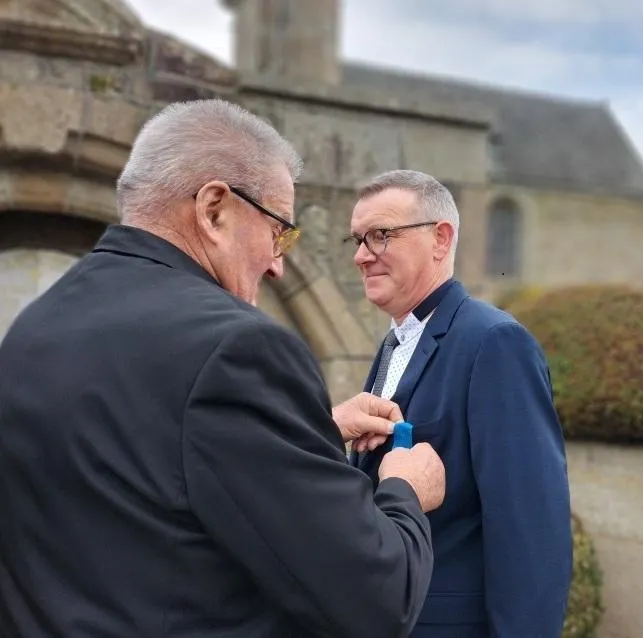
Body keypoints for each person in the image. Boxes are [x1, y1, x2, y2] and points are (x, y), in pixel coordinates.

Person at [0, 99, 446, 638]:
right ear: (214, 209)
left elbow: (136, 470)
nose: (279, 264)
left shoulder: (35, 327)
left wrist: (307, 434)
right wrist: (403, 492)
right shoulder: (240, 348)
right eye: (280, 230)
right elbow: (377, 602)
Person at [345, 169, 573, 637]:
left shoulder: (494, 343)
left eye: (380, 236)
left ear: (440, 239)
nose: (361, 256)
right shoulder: (393, 343)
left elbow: (531, 533)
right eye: (357, 239)